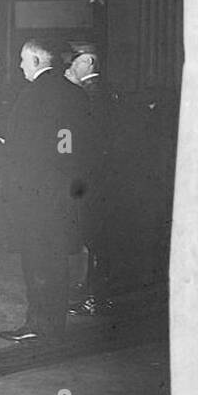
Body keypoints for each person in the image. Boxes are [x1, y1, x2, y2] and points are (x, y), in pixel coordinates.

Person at [0, 38, 91, 344]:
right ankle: (55, 323)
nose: (21, 65)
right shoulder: (77, 95)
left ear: (36, 61)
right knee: (58, 259)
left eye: (24, 60)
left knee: (36, 259)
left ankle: (37, 322)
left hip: (35, 195)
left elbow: (19, 149)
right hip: (67, 192)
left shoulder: (31, 96)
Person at [64, 40, 115, 316]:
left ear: (88, 63)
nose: (70, 68)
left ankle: (94, 296)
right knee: (95, 237)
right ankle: (93, 293)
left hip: (91, 178)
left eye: (74, 62)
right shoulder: (99, 91)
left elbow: (85, 141)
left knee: (93, 238)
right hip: (101, 176)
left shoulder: (89, 94)